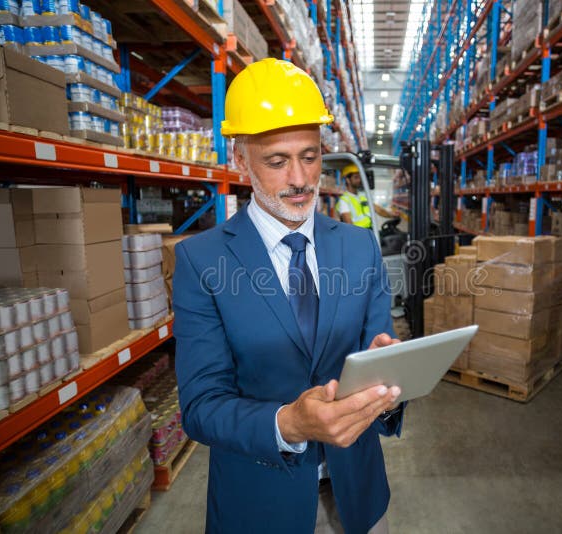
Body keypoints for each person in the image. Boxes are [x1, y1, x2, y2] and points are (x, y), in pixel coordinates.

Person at [172, 58, 404, 534]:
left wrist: (392, 382)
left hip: (356, 493)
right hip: (261, 505)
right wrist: (289, 424)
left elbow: (382, 350)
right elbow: (201, 408)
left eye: (311, 155)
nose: (299, 179)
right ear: (240, 159)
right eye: (277, 162)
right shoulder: (202, 261)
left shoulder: (358, 245)